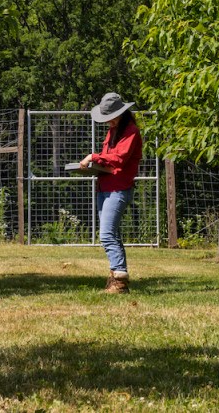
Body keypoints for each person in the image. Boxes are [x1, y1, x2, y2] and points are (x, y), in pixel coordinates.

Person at [79, 92, 143, 294]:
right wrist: (95, 163)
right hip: (105, 186)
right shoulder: (113, 131)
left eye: (110, 117)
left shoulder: (131, 131)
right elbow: (108, 157)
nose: (108, 122)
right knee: (111, 233)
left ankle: (120, 276)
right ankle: (118, 280)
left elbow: (119, 158)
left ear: (121, 113)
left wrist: (94, 156)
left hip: (118, 188)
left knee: (106, 234)